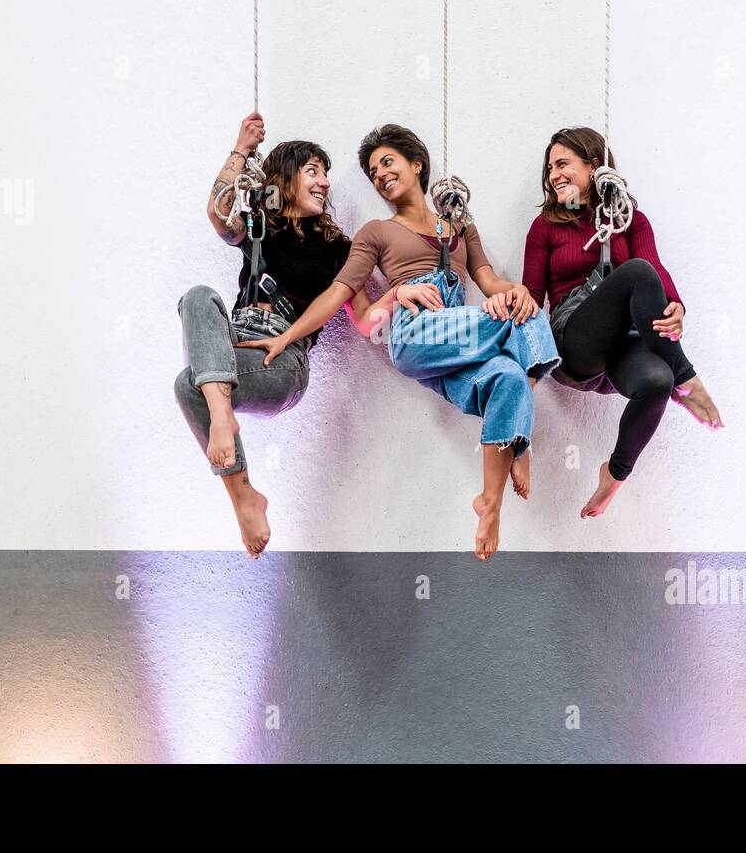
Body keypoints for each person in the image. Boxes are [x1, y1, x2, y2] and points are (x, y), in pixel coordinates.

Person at [241, 123, 561, 560]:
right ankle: (521, 437)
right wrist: (287, 337)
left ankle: (490, 502)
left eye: (387, 162)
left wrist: (515, 290)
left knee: (508, 371)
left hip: (457, 337)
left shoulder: (459, 225)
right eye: (373, 171)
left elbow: (486, 280)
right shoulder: (375, 232)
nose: (380, 175)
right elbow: (341, 297)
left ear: (417, 164)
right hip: (415, 334)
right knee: (520, 325)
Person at [176, 112, 400, 558]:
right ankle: (244, 490)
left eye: (326, 175)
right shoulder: (261, 227)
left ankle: (220, 417)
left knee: (192, 384)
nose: (324, 183)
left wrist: (399, 295)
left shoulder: (339, 247)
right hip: (235, 342)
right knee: (197, 299)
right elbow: (219, 214)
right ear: (286, 179)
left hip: (283, 362)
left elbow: (362, 320)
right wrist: (241, 149)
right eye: (312, 171)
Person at [522, 127, 724, 519]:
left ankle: (614, 474)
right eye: (550, 169)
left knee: (656, 381)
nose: (554, 176)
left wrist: (676, 306)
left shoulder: (631, 221)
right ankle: (689, 380)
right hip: (575, 340)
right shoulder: (545, 227)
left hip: (627, 341)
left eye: (563, 165)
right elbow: (533, 298)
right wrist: (524, 365)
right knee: (635, 271)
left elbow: (656, 271)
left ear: (594, 166)